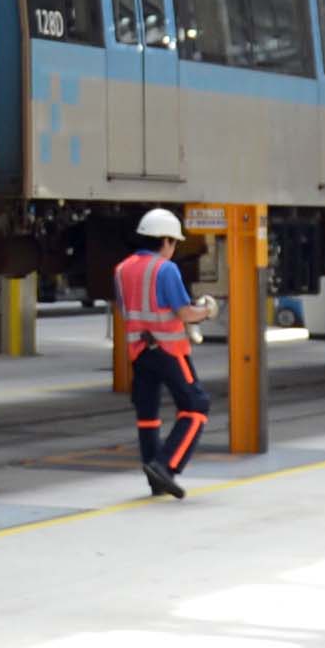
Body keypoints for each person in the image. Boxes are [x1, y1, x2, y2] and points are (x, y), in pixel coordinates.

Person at [118, 207, 219, 500]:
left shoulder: (122, 269)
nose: (173, 248)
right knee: (196, 406)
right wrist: (207, 311)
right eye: (173, 242)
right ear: (165, 240)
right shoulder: (165, 268)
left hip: (139, 351)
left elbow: (127, 310)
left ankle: (154, 478)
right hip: (169, 349)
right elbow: (184, 312)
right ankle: (166, 466)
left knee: (148, 415)